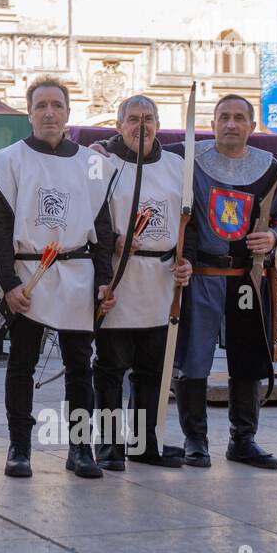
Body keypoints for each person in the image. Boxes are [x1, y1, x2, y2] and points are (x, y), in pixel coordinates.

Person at [172, 94, 277, 470]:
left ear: (251, 125)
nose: (231, 124)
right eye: (223, 117)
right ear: (212, 123)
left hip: (247, 278)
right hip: (201, 277)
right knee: (193, 359)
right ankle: (195, 439)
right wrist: (105, 144)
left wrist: (274, 236)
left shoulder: (270, 168)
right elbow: (142, 149)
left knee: (247, 359)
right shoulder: (187, 158)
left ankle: (243, 440)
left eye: (239, 118)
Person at [0, 76, 111, 479]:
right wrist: (8, 283)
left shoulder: (91, 163)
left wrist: (105, 278)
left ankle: (80, 448)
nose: (48, 113)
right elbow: (1, 226)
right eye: (40, 106)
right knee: (22, 364)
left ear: (68, 113)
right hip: (29, 275)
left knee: (80, 366)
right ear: (29, 113)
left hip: (78, 272)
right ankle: (19, 448)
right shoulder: (8, 160)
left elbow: (104, 227)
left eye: (56, 106)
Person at [93, 95, 191, 470]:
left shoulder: (176, 165)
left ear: (158, 124)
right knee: (110, 368)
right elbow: (90, 216)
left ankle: (144, 443)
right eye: (132, 119)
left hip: (161, 280)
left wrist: (188, 261)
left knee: (152, 370)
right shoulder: (101, 163)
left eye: (148, 118)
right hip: (119, 277)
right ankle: (108, 445)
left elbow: (189, 222)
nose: (141, 125)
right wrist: (113, 242)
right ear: (119, 125)